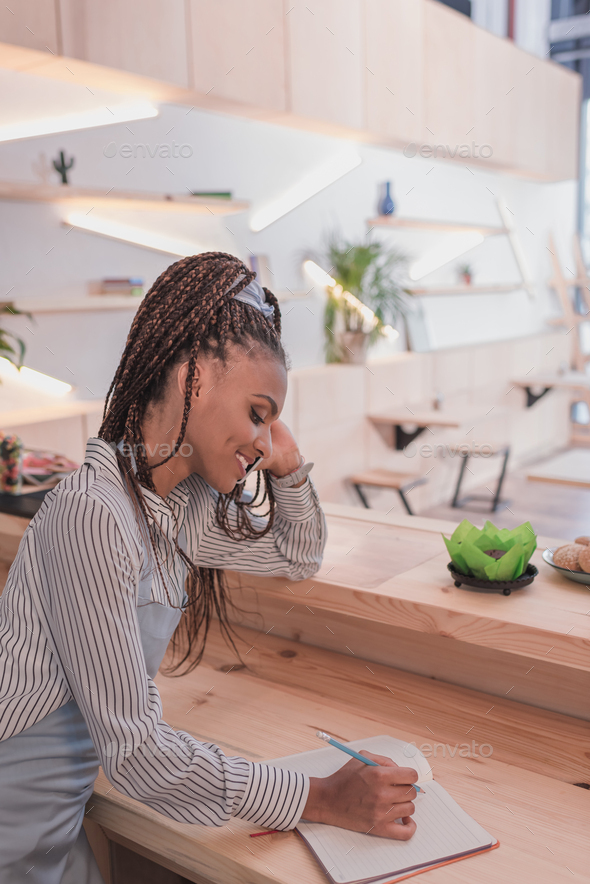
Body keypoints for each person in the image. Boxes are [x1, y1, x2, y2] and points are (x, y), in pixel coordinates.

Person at [0, 252, 417, 883]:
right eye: (256, 413)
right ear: (194, 377)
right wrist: (322, 797)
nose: (261, 440)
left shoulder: (175, 509)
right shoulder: (92, 512)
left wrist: (290, 462)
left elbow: (296, 553)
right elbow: (137, 753)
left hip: (50, 835)